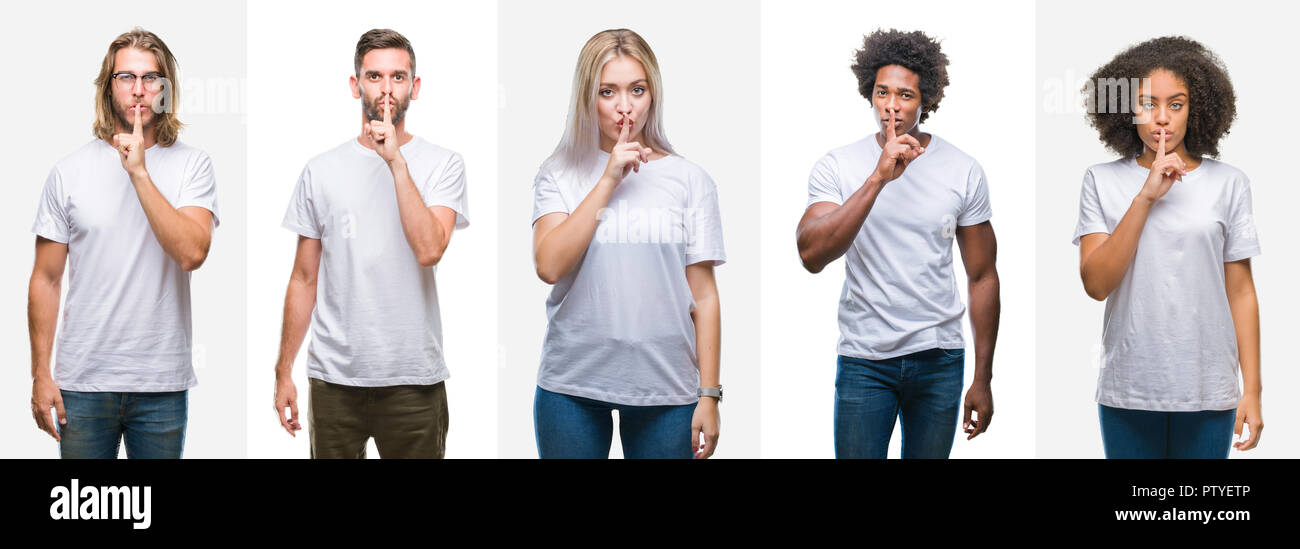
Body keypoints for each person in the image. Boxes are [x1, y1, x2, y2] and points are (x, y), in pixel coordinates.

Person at [796, 29, 1000, 459]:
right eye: (882, 92)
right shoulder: (839, 165)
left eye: (905, 95)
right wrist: (878, 178)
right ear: (868, 93)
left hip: (939, 359)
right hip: (864, 360)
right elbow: (811, 255)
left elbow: (982, 275)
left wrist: (982, 378)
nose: (891, 106)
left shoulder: (962, 169)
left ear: (926, 99)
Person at [273, 28, 469, 459]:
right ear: (355, 84)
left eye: (398, 77)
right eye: (375, 76)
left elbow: (430, 249)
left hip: (413, 381)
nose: (386, 88)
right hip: (334, 383)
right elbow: (304, 278)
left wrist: (396, 161)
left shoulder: (443, 165)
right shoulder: (321, 169)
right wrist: (283, 370)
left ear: (414, 87)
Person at [531, 28, 724, 459]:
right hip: (571, 386)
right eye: (608, 91)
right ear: (587, 97)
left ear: (652, 93)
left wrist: (709, 394)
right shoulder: (559, 172)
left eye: (636, 90)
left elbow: (705, 297)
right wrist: (608, 178)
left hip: (668, 389)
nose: (624, 106)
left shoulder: (689, 179)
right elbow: (549, 265)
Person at [28, 28, 219, 459]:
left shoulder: (193, 165)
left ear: (166, 89)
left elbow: (192, 252)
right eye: (125, 77)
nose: (138, 90)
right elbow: (46, 278)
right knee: (86, 507)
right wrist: (41, 372)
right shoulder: (68, 171)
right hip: (82, 383)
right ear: (107, 86)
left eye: (151, 78)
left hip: (160, 387)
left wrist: (139, 172)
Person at [1074, 36, 1262, 458]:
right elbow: (1096, 283)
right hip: (1128, 390)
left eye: (1176, 104)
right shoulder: (1101, 180)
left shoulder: (1229, 183)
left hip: (1209, 392)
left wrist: (1253, 390)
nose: (1162, 119)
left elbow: (1242, 291)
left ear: (1196, 110)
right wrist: (1145, 197)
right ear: (1127, 109)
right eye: (1147, 104)